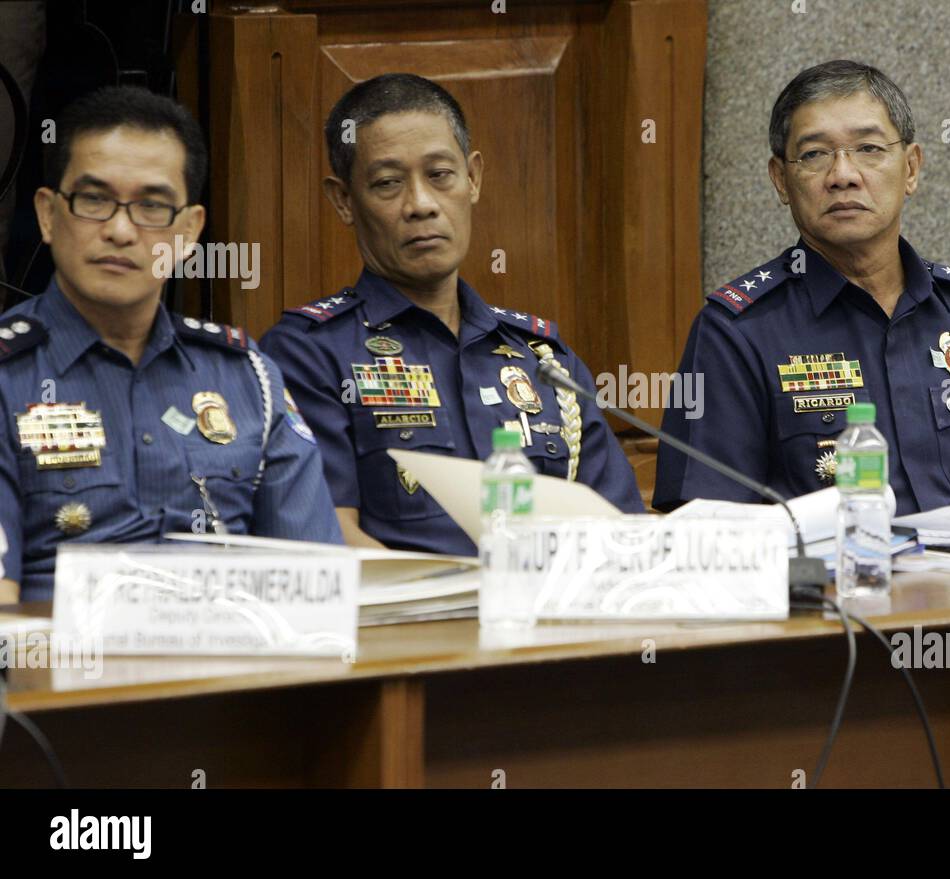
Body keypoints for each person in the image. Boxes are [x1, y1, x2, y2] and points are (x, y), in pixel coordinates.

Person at [653, 60, 950, 513]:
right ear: (781, 180)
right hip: (833, 581)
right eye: (815, 154)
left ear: (911, 168)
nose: (843, 174)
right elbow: (709, 528)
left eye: (869, 149)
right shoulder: (736, 332)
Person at [260, 74, 642, 554]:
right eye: (387, 183)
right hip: (410, 622)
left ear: (473, 178)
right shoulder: (310, 354)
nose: (421, 205)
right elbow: (329, 539)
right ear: (343, 201)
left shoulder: (540, 359)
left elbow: (621, 531)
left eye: (440, 175)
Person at [0, 86, 342, 602]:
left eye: (152, 207)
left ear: (188, 232)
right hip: (62, 672)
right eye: (94, 200)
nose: (119, 230)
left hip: (237, 669)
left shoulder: (246, 376)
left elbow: (318, 590)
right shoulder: (8, 377)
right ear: (48, 215)